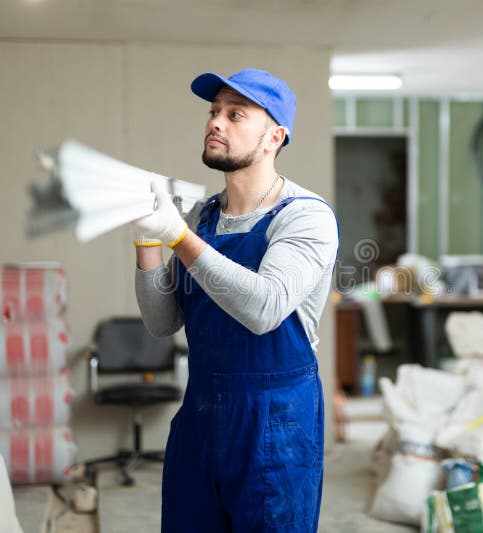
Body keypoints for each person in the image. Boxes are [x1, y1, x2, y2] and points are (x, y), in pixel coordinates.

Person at [131, 68, 339, 532]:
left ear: (274, 138)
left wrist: (177, 236)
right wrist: (147, 243)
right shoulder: (202, 217)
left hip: (276, 424)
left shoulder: (305, 217)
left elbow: (265, 308)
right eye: (214, 112)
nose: (215, 122)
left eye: (235, 114)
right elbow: (162, 322)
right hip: (200, 417)